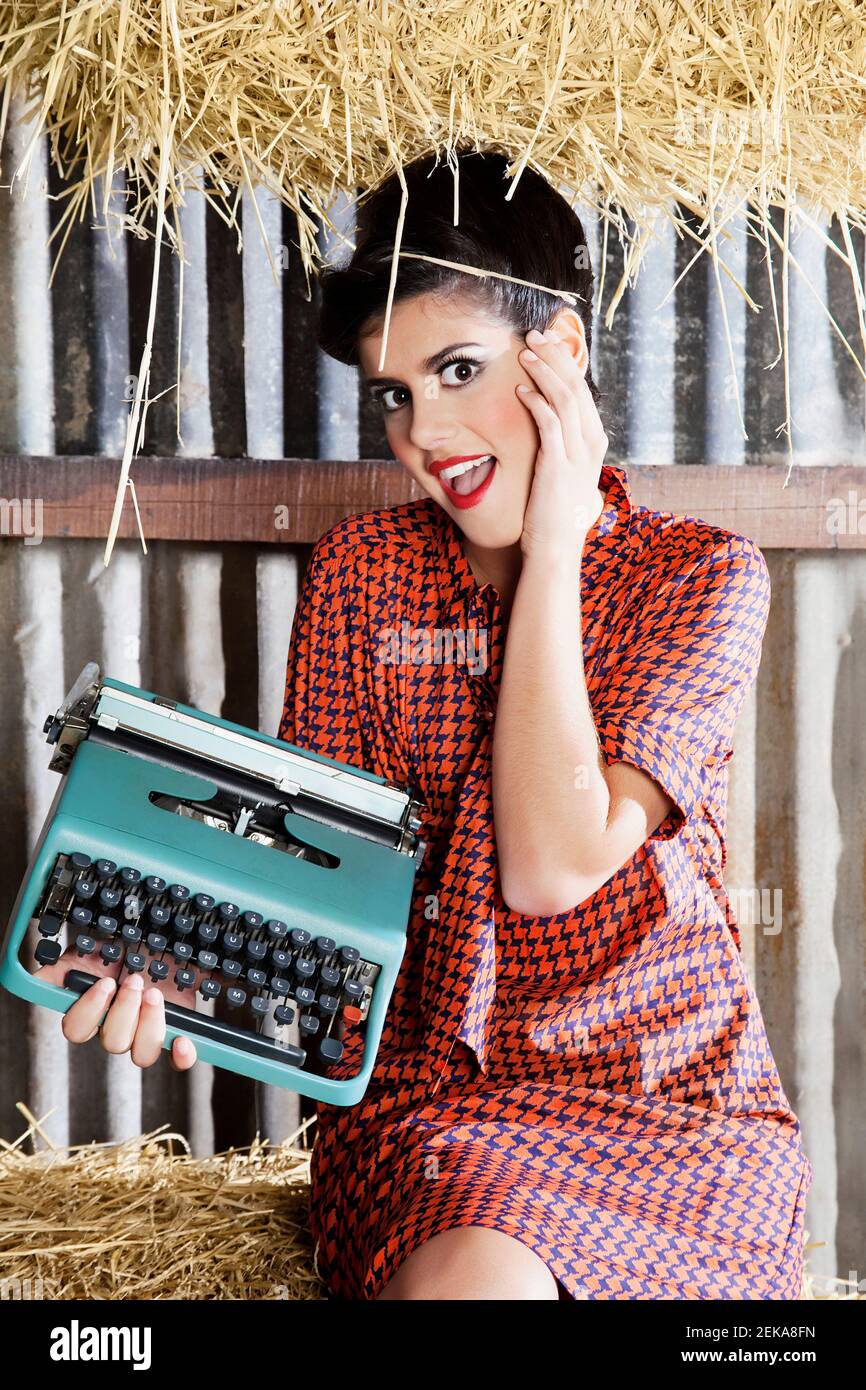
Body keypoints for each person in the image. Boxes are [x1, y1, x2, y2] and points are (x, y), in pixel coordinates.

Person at [54, 146, 812, 1302]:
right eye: (397, 393)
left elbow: (553, 866)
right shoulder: (362, 576)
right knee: (475, 1279)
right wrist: (182, 990)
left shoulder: (698, 578)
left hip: (675, 1116)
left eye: (458, 369)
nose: (424, 434)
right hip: (435, 1119)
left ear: (558, 354)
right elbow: (326, 898)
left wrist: (553, 546)